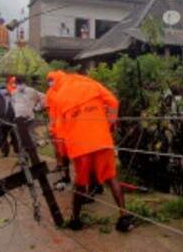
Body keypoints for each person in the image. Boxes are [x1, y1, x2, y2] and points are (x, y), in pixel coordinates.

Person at [47, 71, 132, 232]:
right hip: (102, 140)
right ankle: (124, 216)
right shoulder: (92, 84)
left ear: (57, 82)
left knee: (80, 183)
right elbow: (114, 102)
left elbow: (58, 127)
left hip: (80, 146)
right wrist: (109, 125)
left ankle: (75, 220)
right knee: (111, 177)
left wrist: (64, 152)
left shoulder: (57, 96)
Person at [45, 71, 72, 182]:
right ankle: (65, 174)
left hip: (69, 127)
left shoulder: (68, 91)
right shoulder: (50, 92)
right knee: (60, 151)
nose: (50, 82)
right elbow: (49, 110)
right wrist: (51, 126)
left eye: (52, 80)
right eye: (49, 80)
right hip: (56, 126)